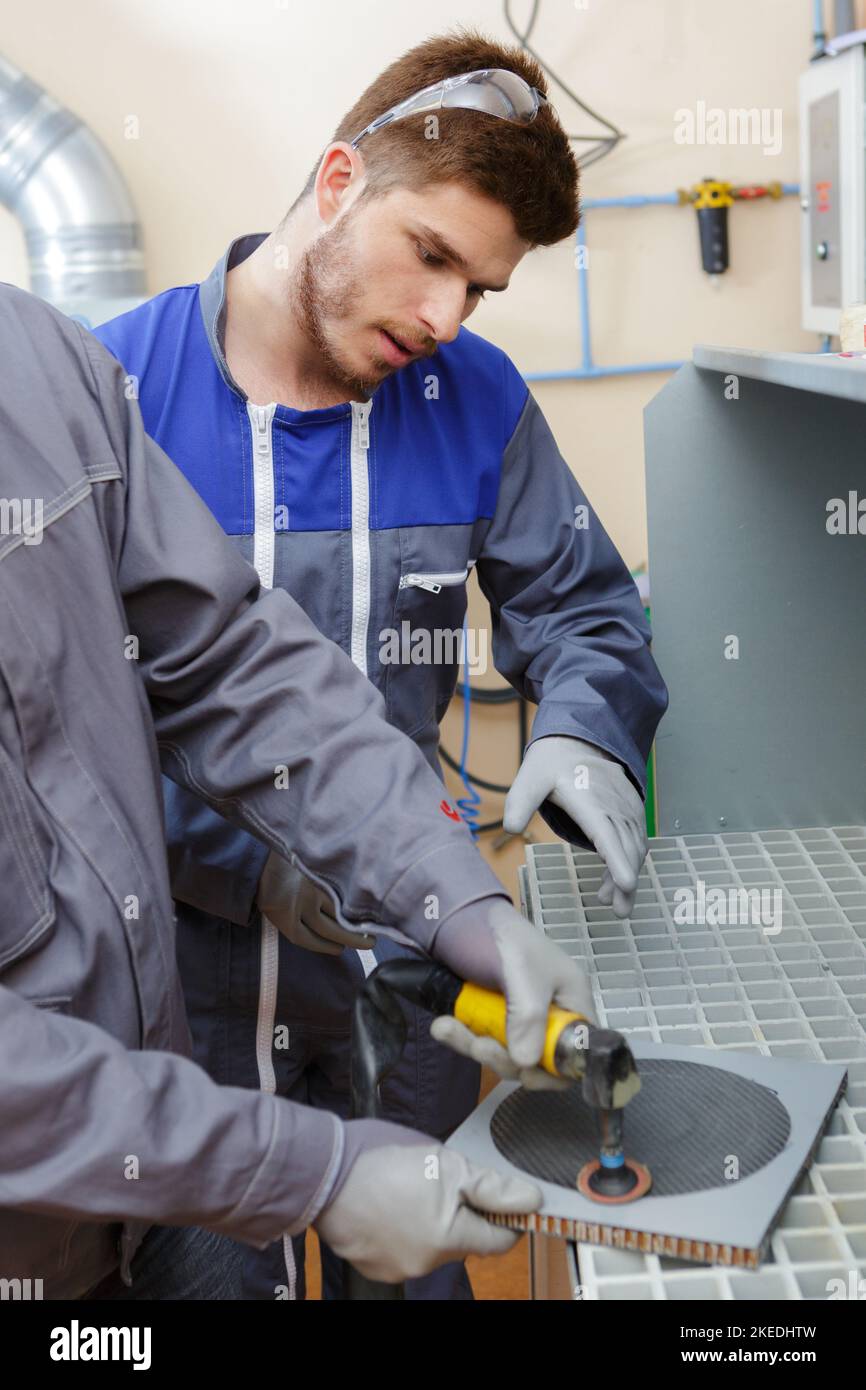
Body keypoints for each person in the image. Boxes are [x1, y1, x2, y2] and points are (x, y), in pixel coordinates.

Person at [94, 30, 667, 1301]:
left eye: (482, 288)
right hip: (176, 991)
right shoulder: (108, 394)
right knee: (201, 1284)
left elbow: (583, 609)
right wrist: (249, 871)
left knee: (422, 1271)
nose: (447, 316)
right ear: (341, 181)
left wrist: (584, 726)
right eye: (432, 258)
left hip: (411, 961)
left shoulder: (472, 398)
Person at [0, 279, 597, 1299]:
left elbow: (220, 657)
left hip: (154, 1165)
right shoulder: (136, 357)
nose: (447, 313)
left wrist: (450, 889)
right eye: (428, 254)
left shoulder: (34, 359)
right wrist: (304, 1171)